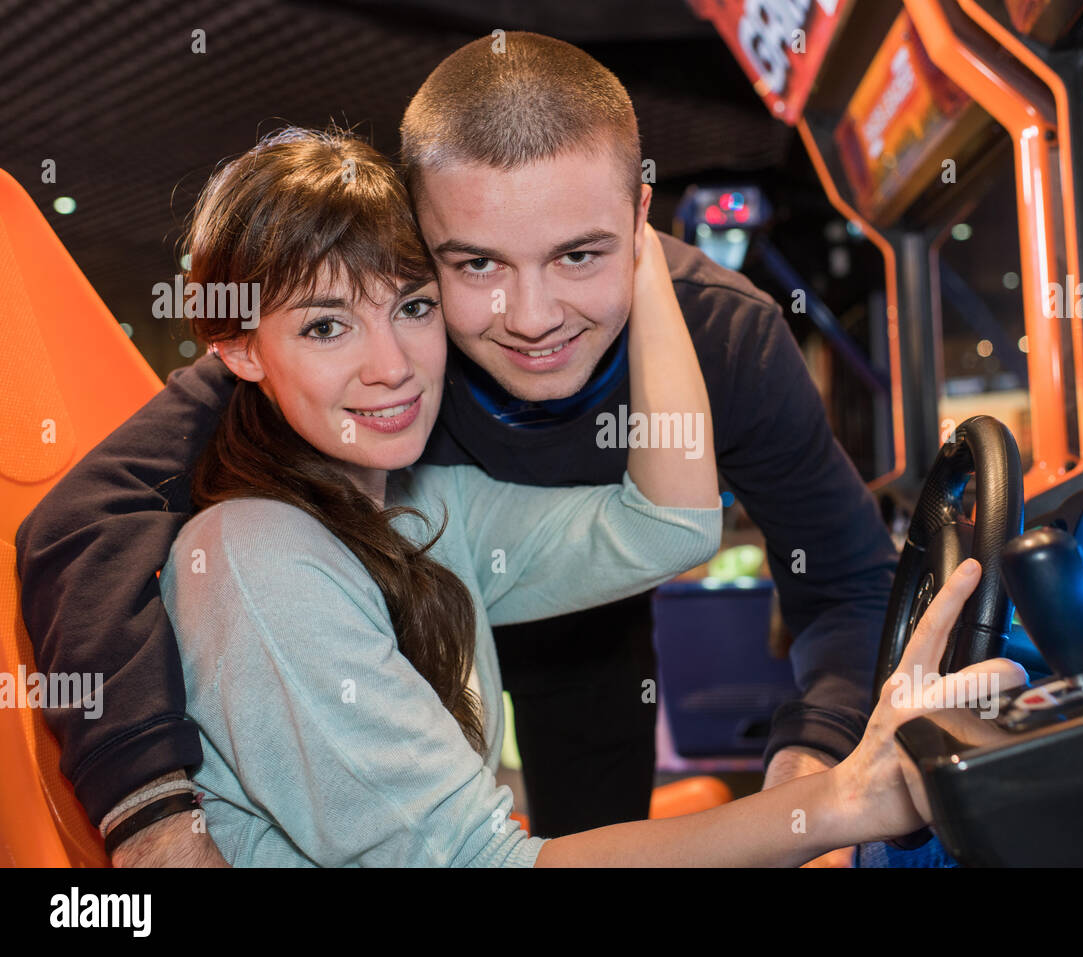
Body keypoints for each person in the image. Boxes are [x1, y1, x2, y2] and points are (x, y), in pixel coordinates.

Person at [17, 31, 897, 866]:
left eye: (582, 253)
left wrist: (812, 777)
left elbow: (763, 554)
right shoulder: (267, 515)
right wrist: (153, 815)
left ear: (638, 222)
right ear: (422, 231)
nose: (534, 314)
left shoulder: (447, 497)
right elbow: (90, 515)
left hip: (574, 627)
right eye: (474, 266)